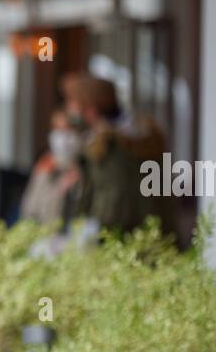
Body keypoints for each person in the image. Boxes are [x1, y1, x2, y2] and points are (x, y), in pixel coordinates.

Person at [60, 73, 175, 238]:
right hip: (152, 239)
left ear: (90, 109)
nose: (69, 110)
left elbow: (113, 205)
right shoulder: (136, 136)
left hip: (122, 246)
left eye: (73, 103)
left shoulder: (111, 148)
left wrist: (90, 237)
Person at [18, 108, 81, 226]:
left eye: (68, 130)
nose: (63, 139)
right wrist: (59, 190)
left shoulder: (85, 169)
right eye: (58, 130)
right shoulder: (44, 167)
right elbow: (30, 211)